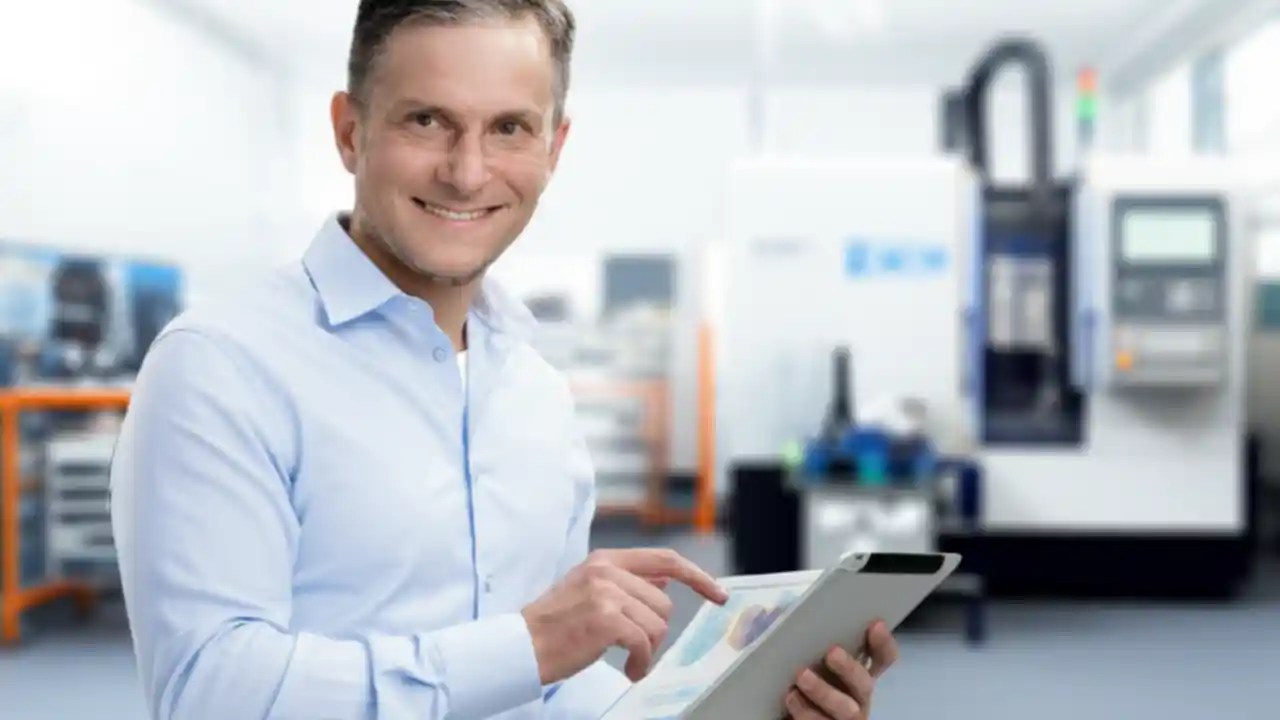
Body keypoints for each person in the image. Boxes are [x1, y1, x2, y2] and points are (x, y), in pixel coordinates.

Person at [108, 1, 900, 718]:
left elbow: (554, 684)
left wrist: (735, 709)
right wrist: (530, 642)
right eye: (426, 120)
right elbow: (208, 693)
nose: (468, 171)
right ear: (351, 131)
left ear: (554, 147)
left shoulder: (533, 393)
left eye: (510, 129)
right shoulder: (220, 366)